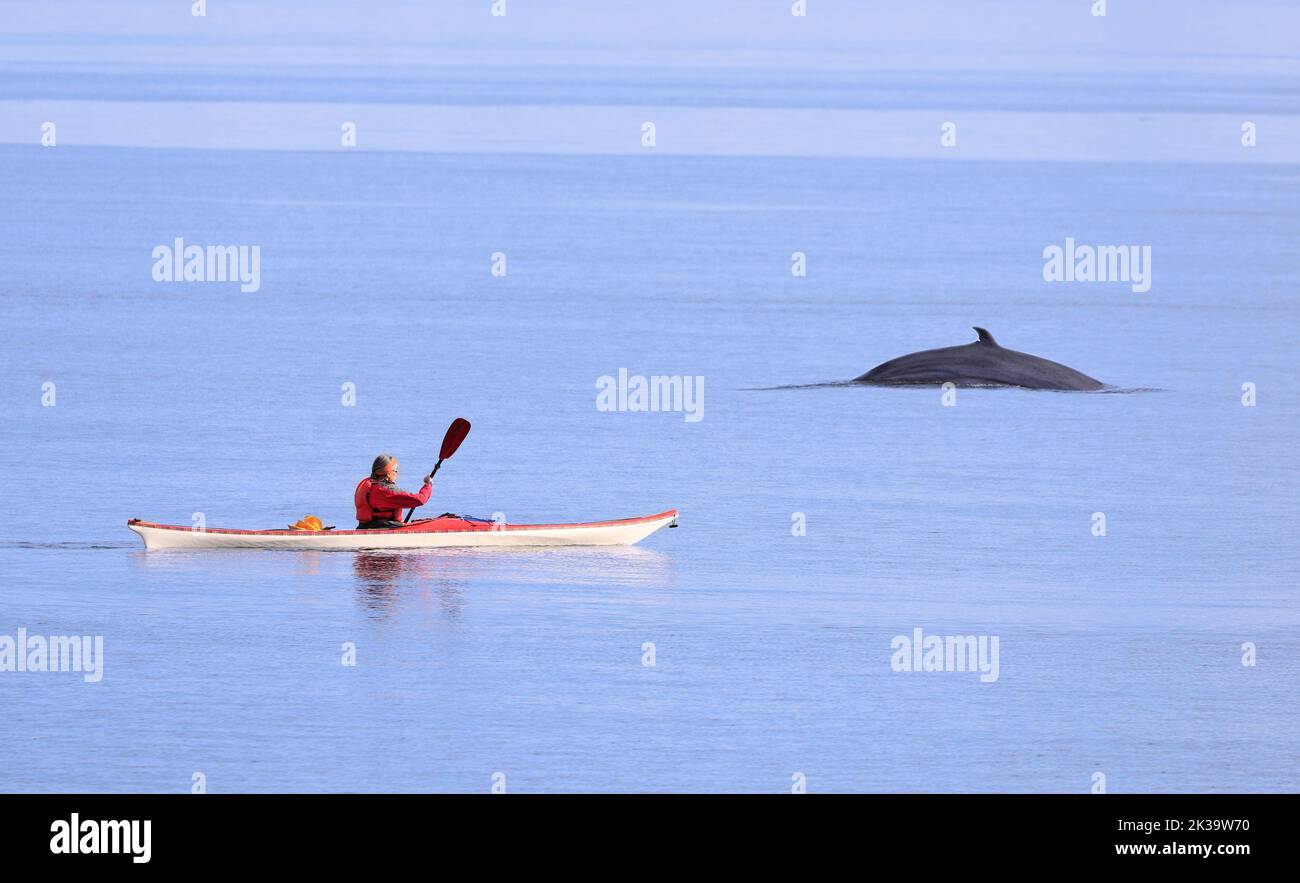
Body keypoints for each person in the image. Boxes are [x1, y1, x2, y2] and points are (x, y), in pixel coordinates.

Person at [354, 454, 432, 529]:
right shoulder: (386, 490)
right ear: (388, 473)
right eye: (395, 471)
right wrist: (428, 484)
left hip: (364, 526)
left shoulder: (366, 483)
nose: (397, 473)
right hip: (382, 527)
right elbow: (420, 500)